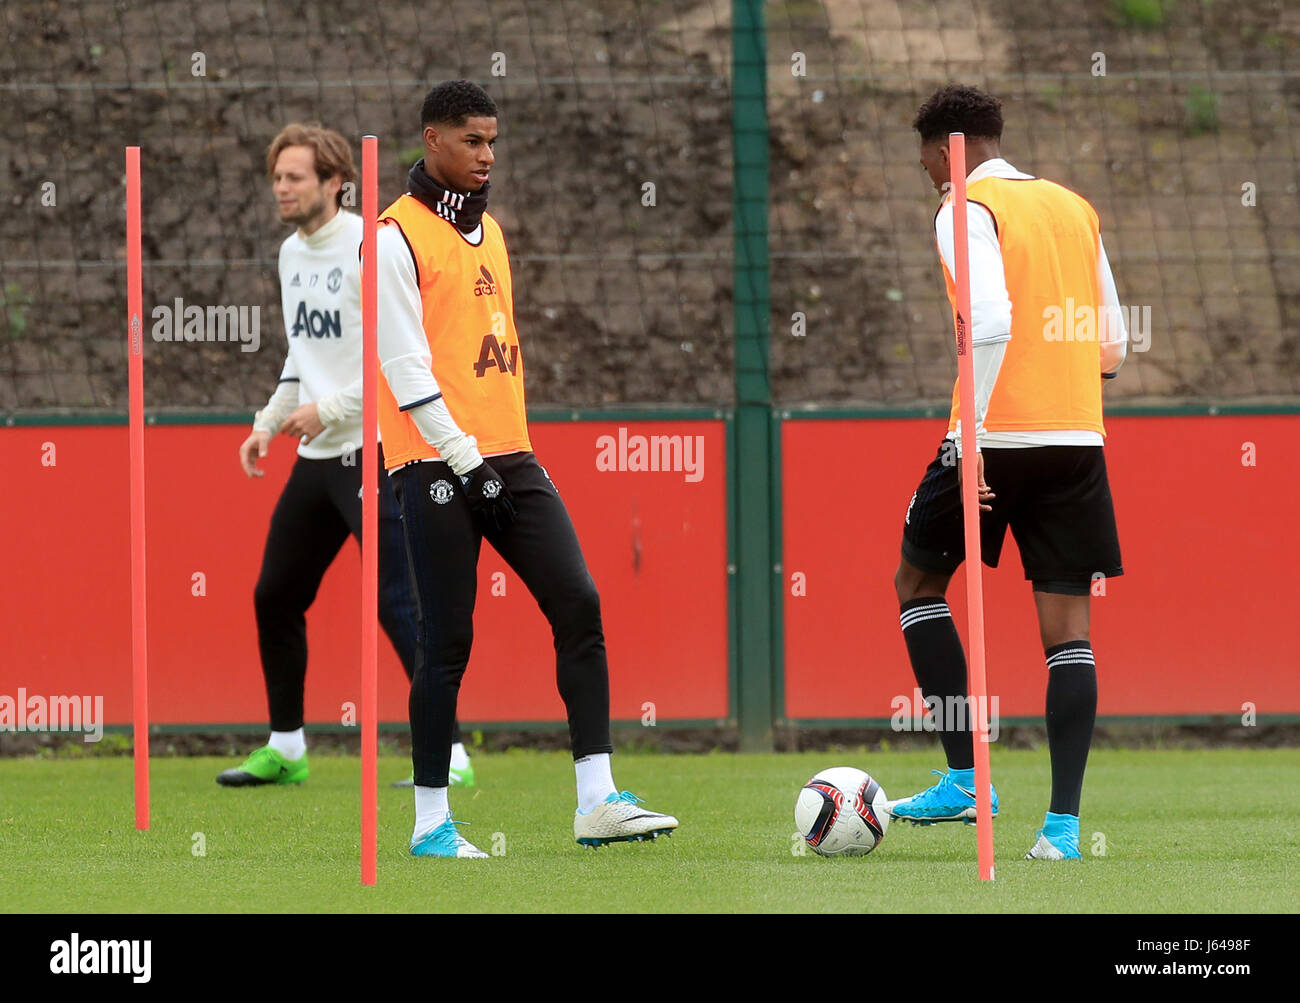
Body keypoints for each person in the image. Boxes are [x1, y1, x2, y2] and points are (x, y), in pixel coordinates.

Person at [374, 79, 678, 857]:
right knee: (445, 641)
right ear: (433, 138)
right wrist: (466, 458)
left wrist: (497, 456)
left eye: (493, 141)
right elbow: (407, 370)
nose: (487, 155)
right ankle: (431, 823)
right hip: (434, 461)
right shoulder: (394, 236)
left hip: (510, 456)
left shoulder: (493, 233)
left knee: (578, 601)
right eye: (472, 140)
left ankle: (596, 799)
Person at [888, 85, 1128, 860]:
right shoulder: (1073, 208)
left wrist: (972, 438)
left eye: (925, 156)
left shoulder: (963, 208)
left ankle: (966, 777)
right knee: (1068, 637)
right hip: (1075, 438)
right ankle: (1061, 829)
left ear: (942, 149)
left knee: (917, 584)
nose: (926, 171)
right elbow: (1113, 347)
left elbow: (989, 318)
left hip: (993, 437)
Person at [217, 123, 473, 789]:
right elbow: (303, 356)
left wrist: (326, 411)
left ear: (335, 182)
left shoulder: (371, 245)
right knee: (275, 594)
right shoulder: (288, 255)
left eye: (295, 177)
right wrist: (268, 422)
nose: (282, 189)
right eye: (277, 178)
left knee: (397, 601)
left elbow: (401, 357)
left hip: (375, 448)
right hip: (320, 454)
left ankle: (452, 754)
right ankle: (287, 746)